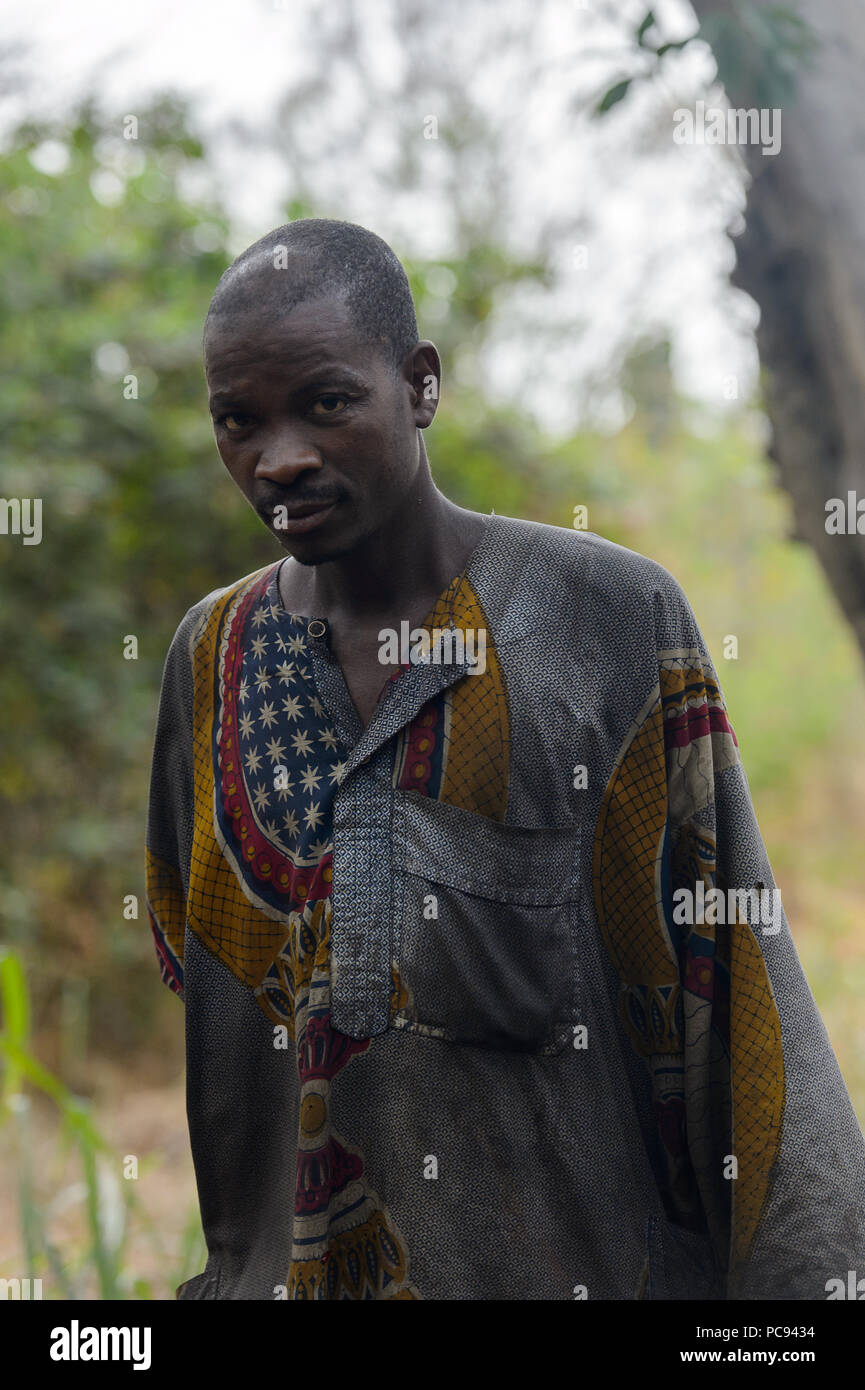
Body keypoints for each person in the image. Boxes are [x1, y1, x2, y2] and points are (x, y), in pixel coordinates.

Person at [145, 217, 865, 1301]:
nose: (278, 457)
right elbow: (205, 977)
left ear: (420, 384)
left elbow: (733, 1007)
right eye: (236, 421)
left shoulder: (606, 618)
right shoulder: (209, 657)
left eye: (327, 403)